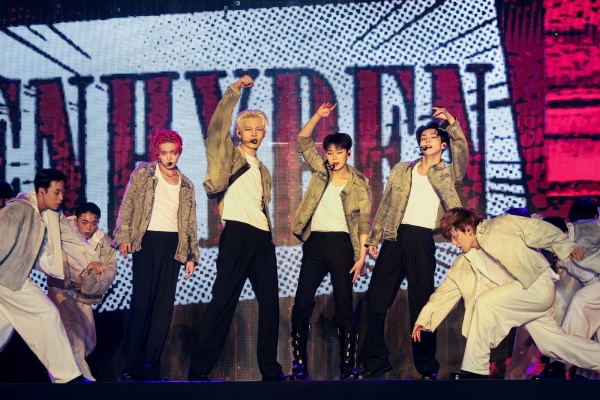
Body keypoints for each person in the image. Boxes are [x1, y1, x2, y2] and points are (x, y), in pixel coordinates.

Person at [412, 208, 600, 379]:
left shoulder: (500, 225)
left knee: (485, 303)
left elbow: (536, 228)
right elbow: (446, 291)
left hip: (535, 284)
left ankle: (475, 371)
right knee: (553, 344)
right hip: (523, 298)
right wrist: (425, 319)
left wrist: (564, 245)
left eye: (455, 237)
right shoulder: (465, 262)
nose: (454, 243)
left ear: (468, 229)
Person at [356, 107, 468, 380]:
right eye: (423, 137)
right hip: (395, 238)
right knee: (375, 300)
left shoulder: (447, 172)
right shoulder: (402, 169)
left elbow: (462, 152)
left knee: (422, 303)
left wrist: (451, 122)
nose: (426, 140)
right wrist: (375, 236)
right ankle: (375, 360)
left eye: (432, 137)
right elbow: (386, 203)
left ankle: (426, 366)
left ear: (443, 145)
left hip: (421, 239)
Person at [188, 75, 287, 382]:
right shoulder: (229, 154)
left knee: (270, 303)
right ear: (239, 132)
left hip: (261, 238)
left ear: (264, 133)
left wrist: (269, 236)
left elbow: (261, 205)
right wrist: (234, 92)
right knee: (223, 300)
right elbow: (216, 129)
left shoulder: (263, 169)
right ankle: (199, 370)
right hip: (237, 234)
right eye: (248, 129)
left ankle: (270, 369)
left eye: (259, 129)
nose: (254, 134)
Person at [289, 102, 372, 380]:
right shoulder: (321, 170)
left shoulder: (359, 184)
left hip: (342, 246)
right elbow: (302, 140)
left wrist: (361, 257)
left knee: (343, 305)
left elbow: (363, 223)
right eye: (329, 152)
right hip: (315, 243)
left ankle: (347, 367)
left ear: (348, 153)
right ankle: (300, 365)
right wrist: (318, 116)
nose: (334, 157)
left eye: (339, 152)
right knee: (302, 301)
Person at [0, 169, 107, 383]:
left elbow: (71, 238)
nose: (61, 197)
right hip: (8, 278)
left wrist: (91, 259)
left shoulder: (52, 214)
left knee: (2, 328)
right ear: (41, 191)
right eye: (56, 192)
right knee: (48, 313)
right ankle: (67, 377)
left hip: (12, 278)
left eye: (63, 192)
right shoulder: (18, 209)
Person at [113, 129, 199, 381]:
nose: (169, 158)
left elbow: (190, 223)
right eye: (164, 153)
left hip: (173, 246)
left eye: (173, 152)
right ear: (157, 153)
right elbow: (128, 205)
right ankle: (131, 366)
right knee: (142, 304)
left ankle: (151, 368)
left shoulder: (187, 185)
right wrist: (124, 236)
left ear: (179, 152)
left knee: (162, 309)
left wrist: (191, 255)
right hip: (147, 241)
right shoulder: (144, 174)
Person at [47, 202, 117, 381]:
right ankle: (81, 377)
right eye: (84, 222)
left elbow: (110, 271)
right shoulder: (62, 230)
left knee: (89, 339)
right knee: (73, 330)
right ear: (75, 220)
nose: (88, 228)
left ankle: (66, 371)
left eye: (93, 223)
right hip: (61, 288)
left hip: (84, 293)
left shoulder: (102, 241)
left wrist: (87, 285)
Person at [532, 198, 600, 380]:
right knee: (586, 321)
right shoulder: (556, 255)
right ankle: (574, 372)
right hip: (595, 289)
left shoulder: (586, 227)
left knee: (581, 302)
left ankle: (559, 364)